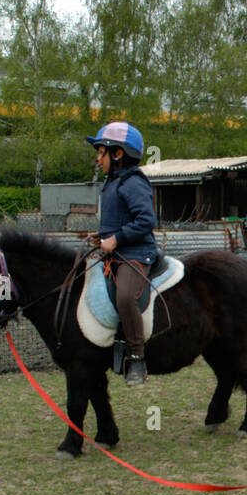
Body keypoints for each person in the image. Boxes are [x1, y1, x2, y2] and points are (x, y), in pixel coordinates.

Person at [88, 121, 158, 387]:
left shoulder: (132, 182)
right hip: (116, 253)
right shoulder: (111, 183)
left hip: (137, 254)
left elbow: (145, 221)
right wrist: (103, 237)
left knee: (126, 296)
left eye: (101, 151)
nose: (98, 158)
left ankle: (138, 359)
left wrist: (115, 239)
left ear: (117, 154)